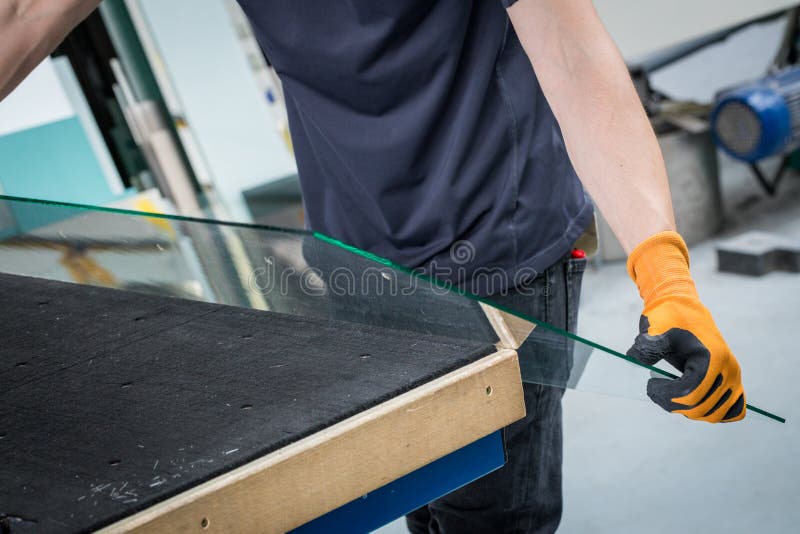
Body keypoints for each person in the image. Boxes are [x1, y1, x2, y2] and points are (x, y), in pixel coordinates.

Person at [1, 1, 746, 532]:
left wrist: (663, 271)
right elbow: (26, 15)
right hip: (356, 260)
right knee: (417, 486)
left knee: (491, 516)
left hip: (499, 256)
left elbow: (573, 53)